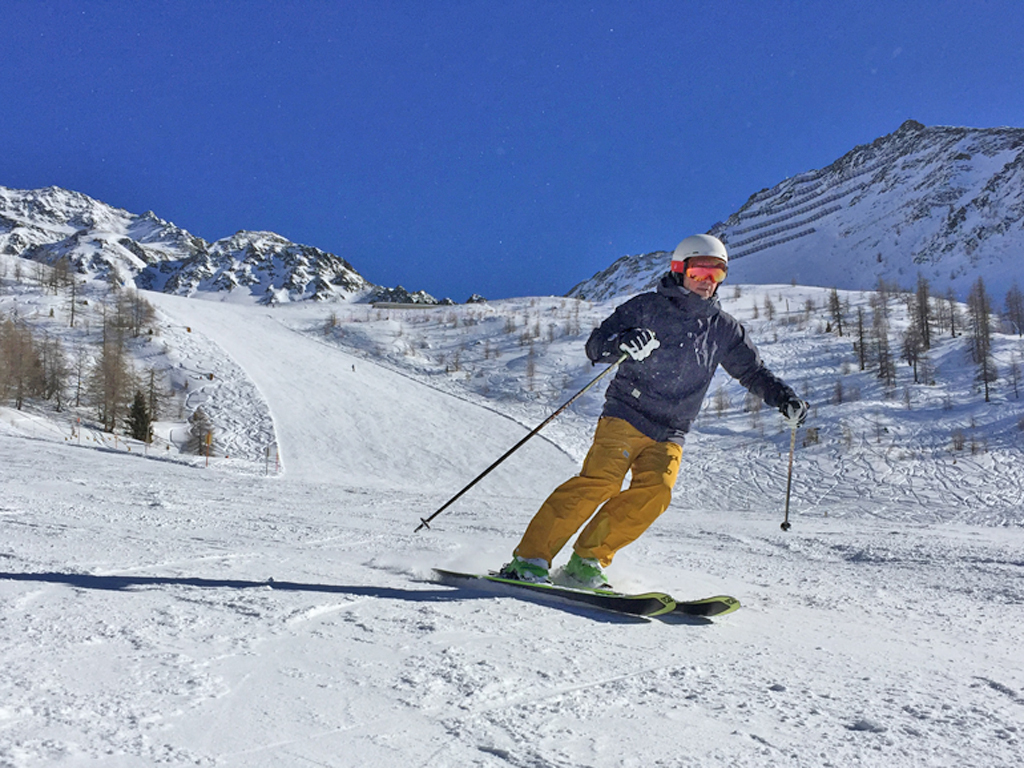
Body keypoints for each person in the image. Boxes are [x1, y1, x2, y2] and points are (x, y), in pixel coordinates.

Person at [499, 234, 808, 588]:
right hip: (627, 412)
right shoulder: (646, 307)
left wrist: (784, 398)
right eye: (699, 272)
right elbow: (596, 346)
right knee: (601, 482)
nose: (707, 282)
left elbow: (752, 372)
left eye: (716, 275)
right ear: (680, 271)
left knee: (656, 493)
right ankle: (530, 558)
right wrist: (622, 344)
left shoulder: (724, 329)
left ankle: (586, 561)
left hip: (672, 429)